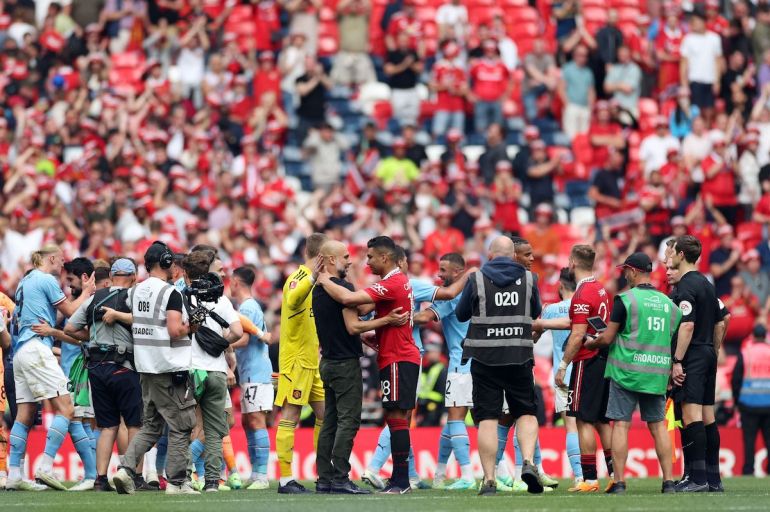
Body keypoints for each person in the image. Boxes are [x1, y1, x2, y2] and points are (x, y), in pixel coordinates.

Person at [316, 236, 420, 494]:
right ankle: (398, 479)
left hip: (398, 357)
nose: (366, 262)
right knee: (394, 418)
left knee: (397, 418)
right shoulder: (394, 283)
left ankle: (401, 480)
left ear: (384, 257)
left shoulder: (392, 283)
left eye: (370, 257)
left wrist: (324, 280)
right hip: (393, 355)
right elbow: (361, 309)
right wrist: (378, 332)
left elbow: (351, 301)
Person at [455, 236, 543, 496]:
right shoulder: (530, 279)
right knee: (526, 412)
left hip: (485, 359)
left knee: (488, 418)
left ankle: (490, 480)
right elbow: (535, 311)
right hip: (519, 356)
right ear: (514, 255)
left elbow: (461, 314)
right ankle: (528, 462)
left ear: (490, 255)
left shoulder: (476, 279)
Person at [586, 252, 680, 494]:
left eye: (626, 270)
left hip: (626, 372)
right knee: (658, 427)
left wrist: (591, 343)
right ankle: (669, 482)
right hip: (656, 373)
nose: (624, 274)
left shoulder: (625, 300)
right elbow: (672, 336)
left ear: (635, 271)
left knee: (621, 425)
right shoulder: (669, 304)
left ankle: (619, 482)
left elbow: (607, 338)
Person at [6, 245, 96, 491]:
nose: (63, 266)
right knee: (67, 408)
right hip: (37, 348)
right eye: (61, 260)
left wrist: (54, 329)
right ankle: (45, 467)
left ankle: (14, 474)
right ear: (52, 258)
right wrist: (87, 291)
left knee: (24, 414)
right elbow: (70, 311)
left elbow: (49, 317)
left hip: (21, 351)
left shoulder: (25, 281)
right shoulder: (46, 279)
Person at [112, 241, 198, 495]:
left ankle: (126, 469)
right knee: (181, 426)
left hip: (146, 368)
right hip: (169, 369)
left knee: (150, 426)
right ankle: (177, 482)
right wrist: (193, 325)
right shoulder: (171, 293)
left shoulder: (136, 291)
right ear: (166, 262)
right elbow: (175, 331)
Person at [534, 244, 613, 493]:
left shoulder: (581, 294)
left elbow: (577, 334)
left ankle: (588, 479)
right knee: (602, 421)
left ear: (573, 263)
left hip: (585, 361)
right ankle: (615, 474)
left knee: (582, 421)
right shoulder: (600, 289)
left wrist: (562, 365)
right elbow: (583, 323)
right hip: (602, 360)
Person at [64, 258, 143, 493]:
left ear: (111, 276)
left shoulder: (94, 298)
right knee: (134, 424)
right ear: (133, 277)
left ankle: (100, 479)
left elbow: (70, 328)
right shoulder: (133, 296)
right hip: (124, 366)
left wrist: (94, 337)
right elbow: (147, 323)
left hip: (97, 368)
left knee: (108, 426)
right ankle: (133, 475)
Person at [183, 251, 243, 493]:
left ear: (186, 275)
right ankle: (211, 482)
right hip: (217, 371)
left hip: (190, 370)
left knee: (185, 428)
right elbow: (237, 332)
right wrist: (220, 343)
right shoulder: (221, 300)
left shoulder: (181, 297)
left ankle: (184, 476)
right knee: (215, 430)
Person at [668, 235, 725, 492]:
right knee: (708, 417)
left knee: (692, 416)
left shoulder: (686, 285)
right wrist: (713, 349)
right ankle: (713, 479)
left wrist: (678, 360)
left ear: (681, 255)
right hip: (707, 353)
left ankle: (698, 478)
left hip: (692, 355)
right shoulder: (707, 284)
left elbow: (687, 325)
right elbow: (721, 321)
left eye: (672, 253)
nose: (670, 258)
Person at [414, 253, 475, 490]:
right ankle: (440, 473)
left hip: (461, 364)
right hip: (484, 363)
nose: (439, 275)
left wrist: (391, 317)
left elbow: (424, 317)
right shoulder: (479, 291)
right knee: (464, 421)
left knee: (456, 418)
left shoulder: (451, 297)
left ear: (457, 272)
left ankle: (467, 475)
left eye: (443, 270)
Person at [275, 233, 328, 494]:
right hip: (295, 360)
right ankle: (285, 479)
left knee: (325, 415)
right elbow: (293, 299)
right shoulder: (298, 278)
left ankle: (323, 474)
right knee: (291, 415)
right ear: (322, 257)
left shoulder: (318, 282)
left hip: (312, 361)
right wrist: (313, 277)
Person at [538, 268, 583, 489]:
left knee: (571, 426)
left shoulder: (552, 310)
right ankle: (600, 474)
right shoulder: (585, 306)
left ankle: (579, 477)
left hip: (562, 375)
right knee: (591, 426)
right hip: (585, 372)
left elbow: (534, 336)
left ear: (561, 285)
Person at [230, 266, 274, 490]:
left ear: (236, 283)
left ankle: (262, 475)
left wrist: (223, 344)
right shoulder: (248, 306)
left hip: (257, 373)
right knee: (248, 421)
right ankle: (256, 473)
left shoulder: (247, 307)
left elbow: (245, 340)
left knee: (256, 420)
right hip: (250, 372)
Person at [731, 324, 770, 476]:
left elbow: (736, 379)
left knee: (749, 440)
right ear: (765, 336)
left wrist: (736, 401)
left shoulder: (746, 352)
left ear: (752, 336)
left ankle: (748, 470)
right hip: (768, 404)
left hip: (748, 403)